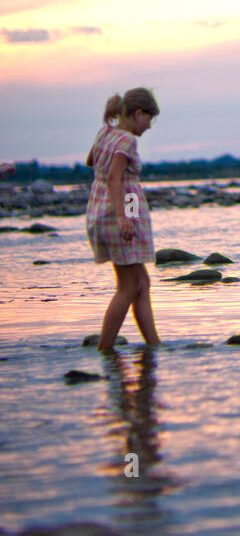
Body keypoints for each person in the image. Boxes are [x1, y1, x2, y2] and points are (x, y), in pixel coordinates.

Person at [85, 87, 161, 350]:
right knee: (128, 286)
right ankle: (104, 347)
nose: (149, 126)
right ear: (138, 113)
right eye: (149, 119)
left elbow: (90, 161)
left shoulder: (105, 132)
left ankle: (154, 345)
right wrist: (123, 218)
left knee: (142, 282)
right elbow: (115, 179)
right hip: (120, 212)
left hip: (99, 210)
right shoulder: (127, 139)